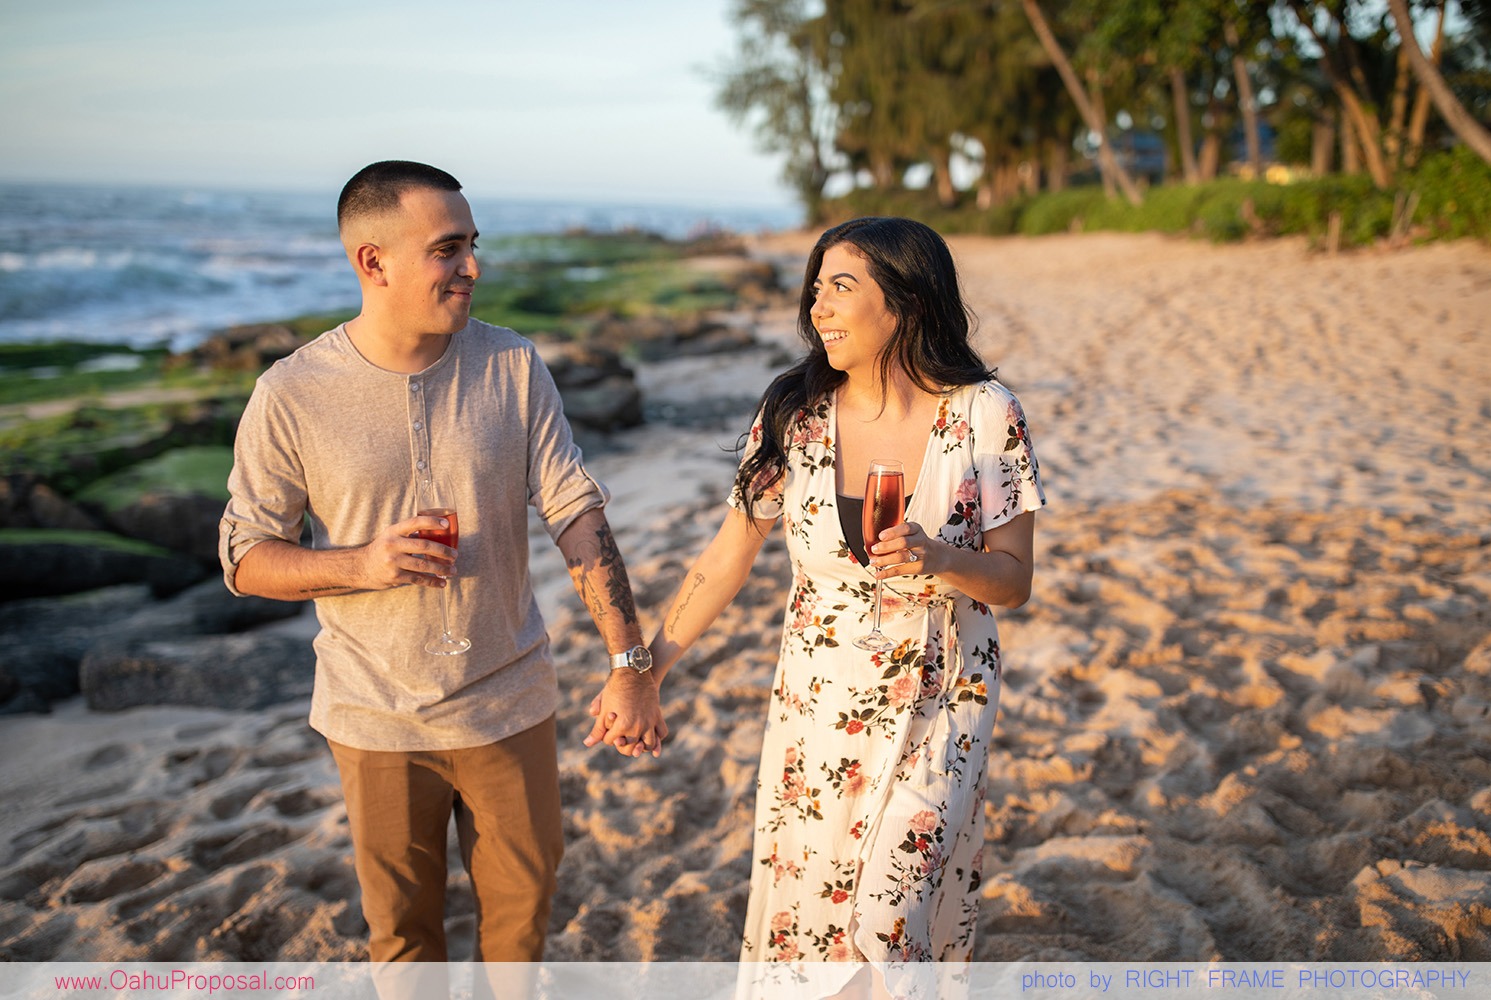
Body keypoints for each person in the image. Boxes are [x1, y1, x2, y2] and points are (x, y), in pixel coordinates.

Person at [219, 161, 666, 981]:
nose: (472, 267)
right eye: (447, 249)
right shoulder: (290, 395)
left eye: (472, 245)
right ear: (373, 261)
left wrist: (629, 663)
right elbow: (246, 557)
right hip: (375, 714)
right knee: (403, 938)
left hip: (510, 699)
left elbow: (575, 514)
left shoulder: (512, 366)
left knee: (521, 928)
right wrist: (362, 563)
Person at [629, 217, 1044, 992]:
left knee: (888, 918)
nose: (818, 306)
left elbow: (1014, 581)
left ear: (907, 302)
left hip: (942, 702)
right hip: (819, 709)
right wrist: (646, 671)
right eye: (816, 287)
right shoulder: (796, 416)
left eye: (842, 287)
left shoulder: (985, 413)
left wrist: (942, 557)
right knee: (820, 923)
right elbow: (725, 559)